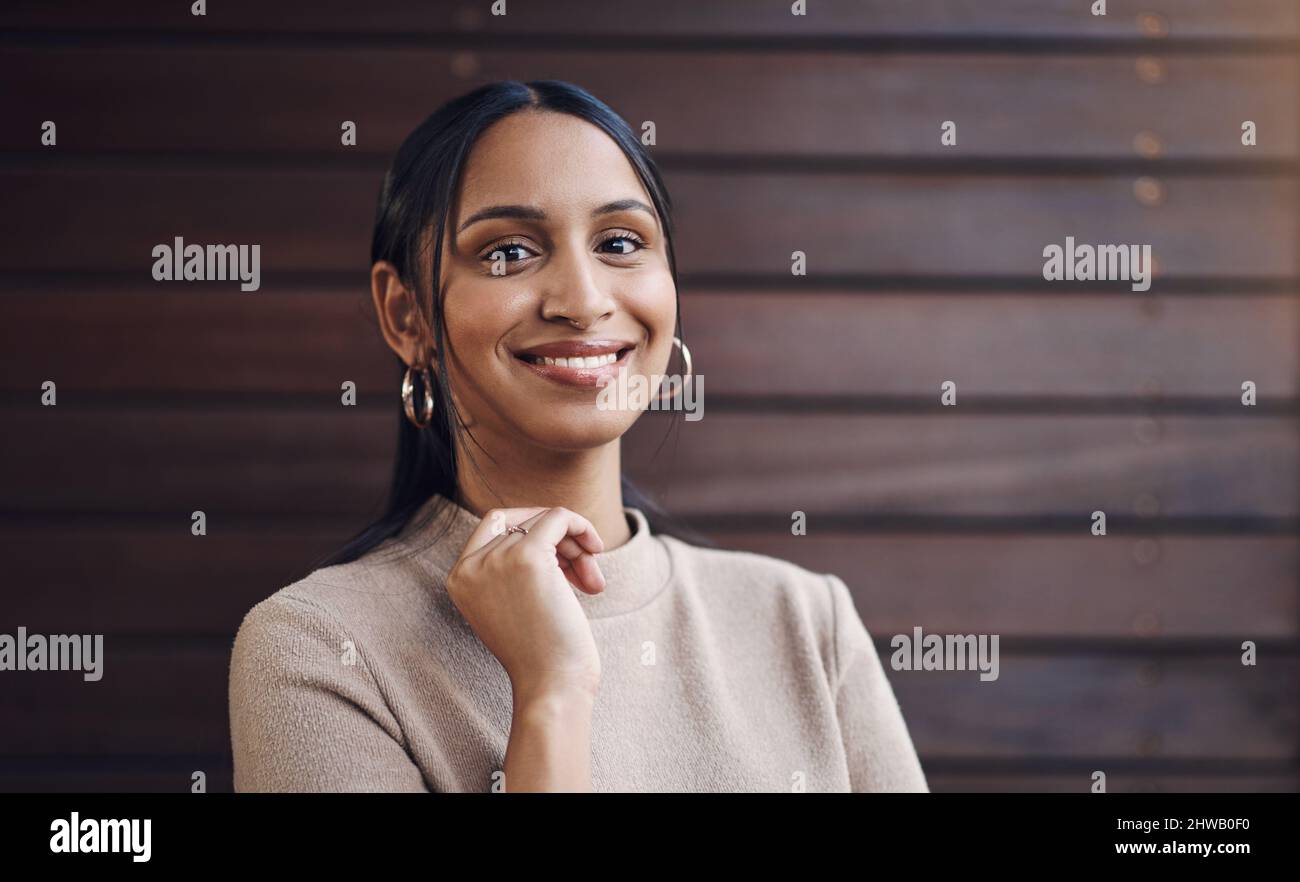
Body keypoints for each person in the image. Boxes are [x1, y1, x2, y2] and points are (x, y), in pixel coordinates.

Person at [227, 79, 928, 793]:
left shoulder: (806, 622)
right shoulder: (318, 647)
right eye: (508, 253)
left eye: (620, 242)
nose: (585, 301)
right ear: (406, 316)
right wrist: (551, 691)